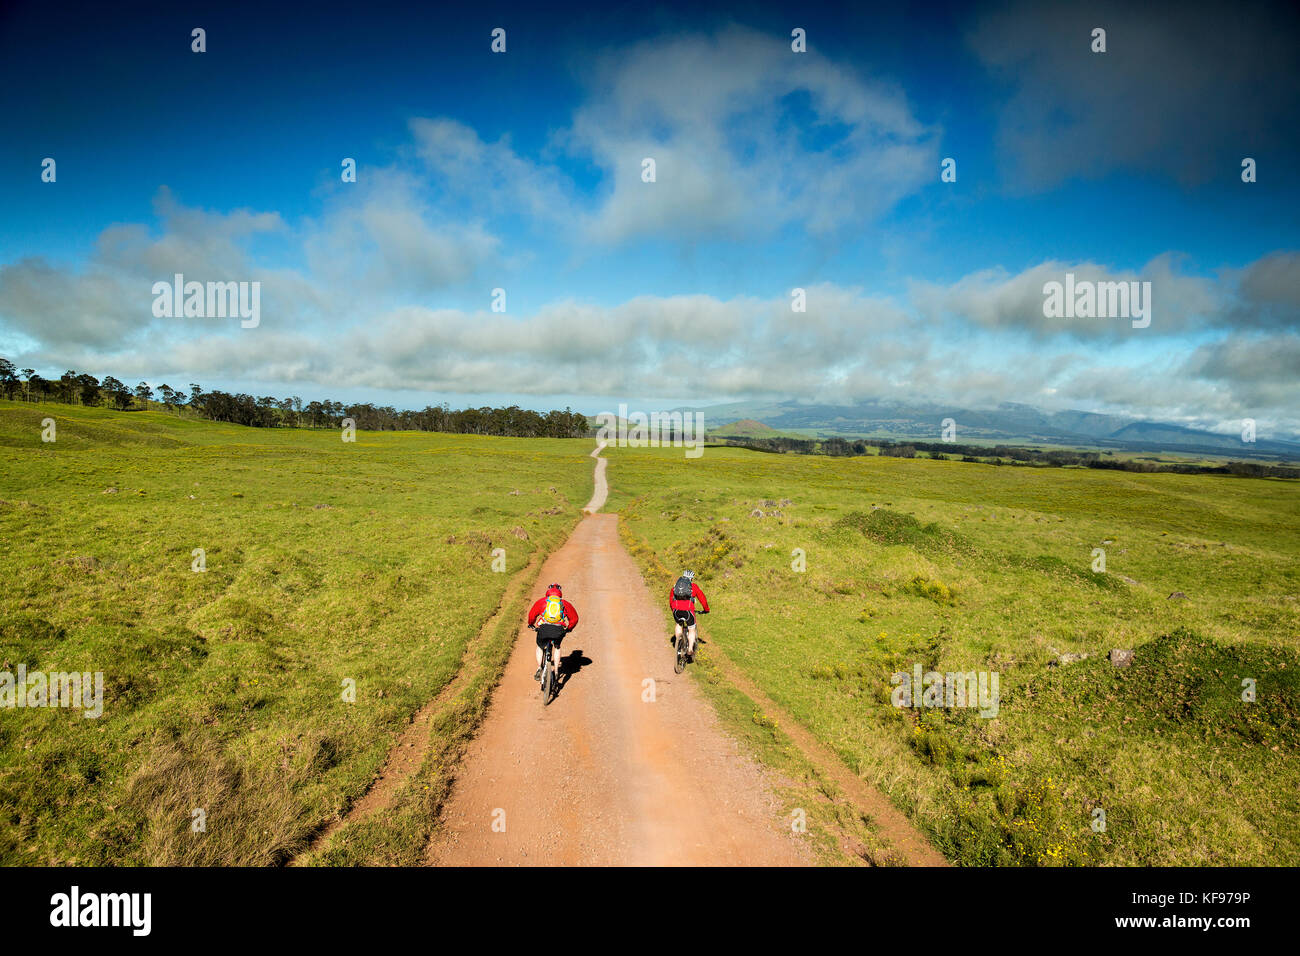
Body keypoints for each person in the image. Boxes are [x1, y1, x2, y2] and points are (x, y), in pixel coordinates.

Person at [526, 583, 579, 681]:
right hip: (558, 630)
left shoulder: (542, 601)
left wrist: (531, 624)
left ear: (548, 592)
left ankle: (539, 668)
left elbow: (532, 615)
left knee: (540, 646)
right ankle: (556, 671)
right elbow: (574, 618)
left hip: (543, 629)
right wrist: (568, 628)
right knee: (557, 647)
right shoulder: (564, 603)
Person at [668, 569, 709, 659]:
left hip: (676, 610)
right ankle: (690, 649)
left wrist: (673, 609)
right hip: (688, 611)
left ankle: (678, 641)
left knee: (679, 624)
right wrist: (706, 609)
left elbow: (671, 599)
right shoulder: (693, 586)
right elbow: (702, 599)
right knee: (692, 629)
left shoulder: (675, 586)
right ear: (691, 578)